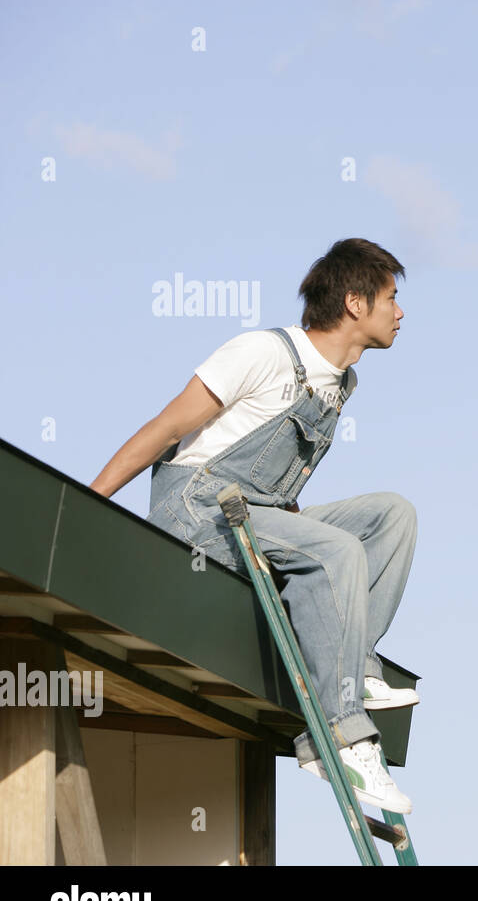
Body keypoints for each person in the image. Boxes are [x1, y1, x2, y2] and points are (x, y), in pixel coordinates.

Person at [89, 237, 418, 815]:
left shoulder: (342, 383)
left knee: (392, 515)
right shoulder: (261, 353)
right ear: (355, 303)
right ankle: (335, 734)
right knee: (336, 552)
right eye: (392, 297)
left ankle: (356, 666)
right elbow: (165, 430)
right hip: (195, 509)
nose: (401, 312)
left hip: (256, 512)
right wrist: (90, 504)